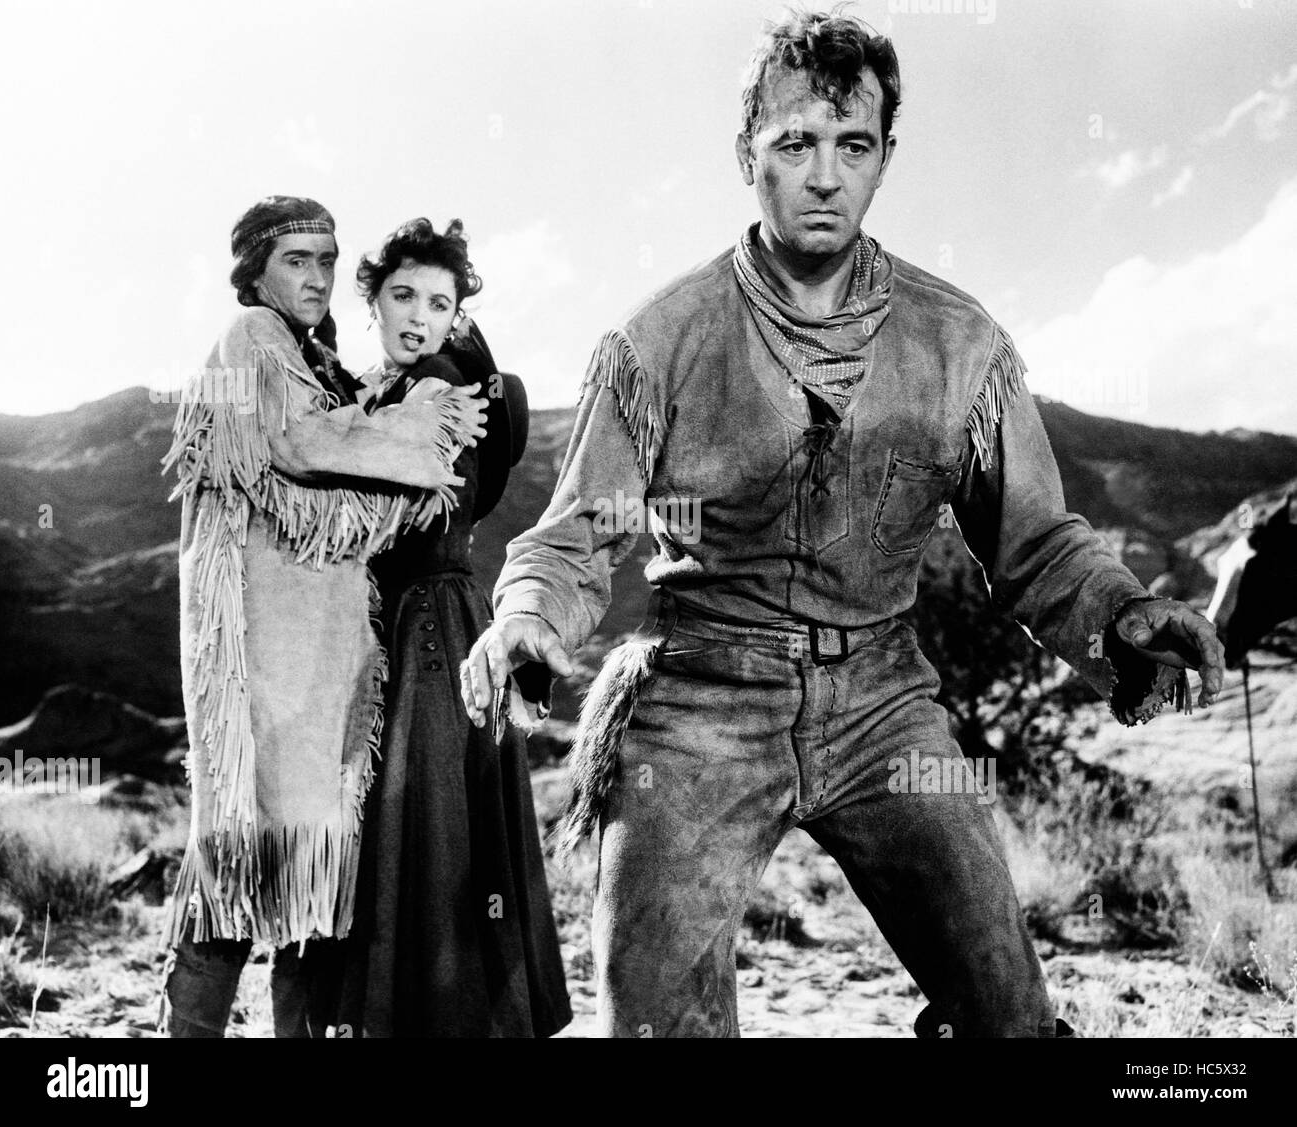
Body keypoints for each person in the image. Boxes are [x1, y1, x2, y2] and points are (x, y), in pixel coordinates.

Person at [460, 12, 1226, 1038]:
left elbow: (1037, 542)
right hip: (700, 700)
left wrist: (1123, 613)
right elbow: (572, 535)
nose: (824, 175)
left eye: (852, 145)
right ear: (748, 155)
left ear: (884, 157)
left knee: (1007, 1010)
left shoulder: (958, 343)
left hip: (881, 700)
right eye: (794, 144)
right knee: (652, 1022)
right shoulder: (658, 340)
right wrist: (526, 616)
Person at [159, 196, 486, 1037]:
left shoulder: (315, 356)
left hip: (319, 663)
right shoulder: (253, 343)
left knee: (308, 887)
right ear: (256, 270)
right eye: (295, 259)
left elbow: (339, 464)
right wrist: (419, 424)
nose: (314, 276)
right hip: (263, 662)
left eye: (325, 260)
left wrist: (412, 415)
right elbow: (300, 444)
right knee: (239, 873)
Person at [333, 218, 572, 1038]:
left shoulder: (442, 390)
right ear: (372, 299)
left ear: (457, 316)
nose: (419, 315)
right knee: (408, 829)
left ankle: (439, 1016)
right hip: (393, 627)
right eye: (402, 295)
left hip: (433, 626)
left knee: (431, 825)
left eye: (440, 302)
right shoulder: (370, 391)